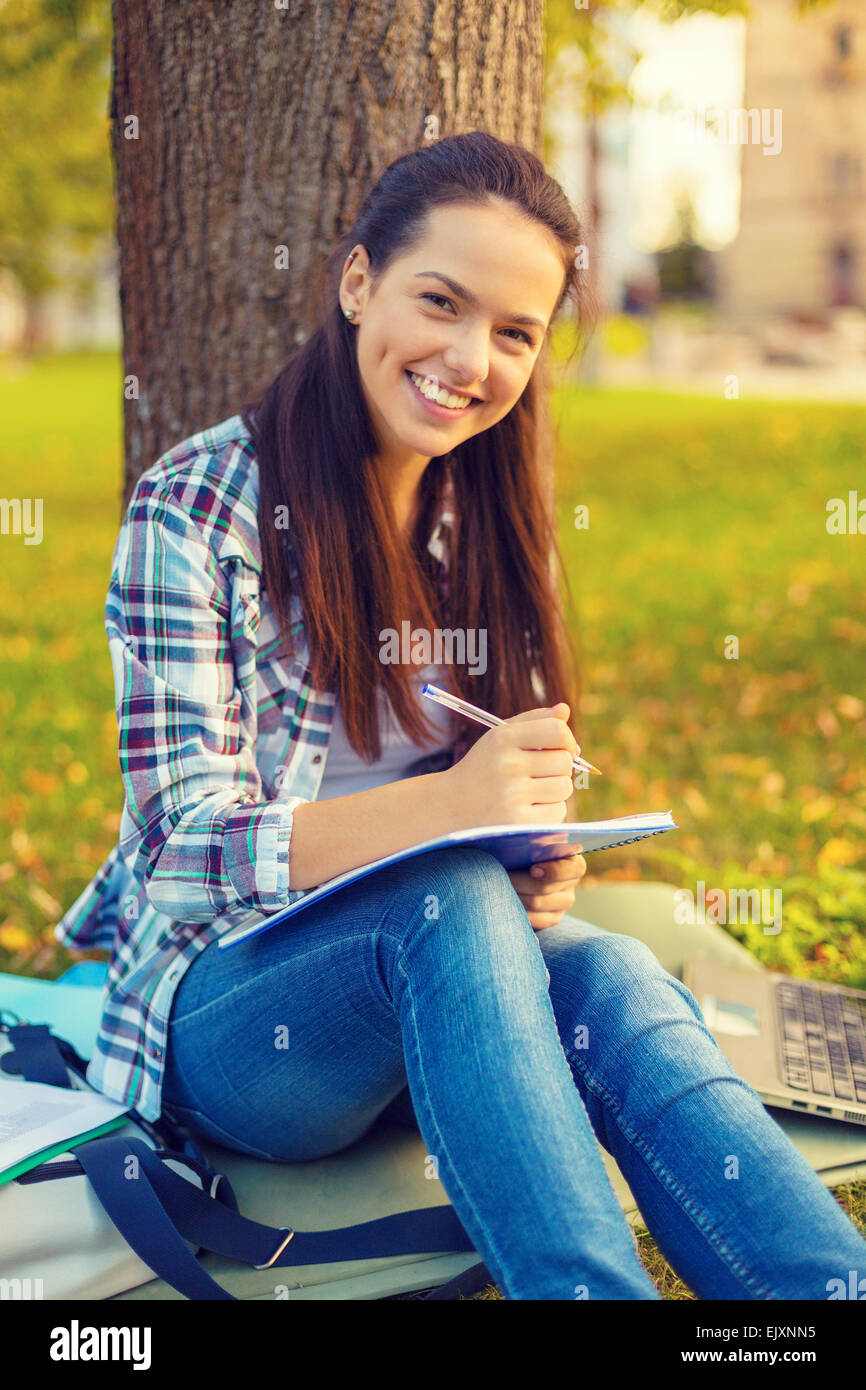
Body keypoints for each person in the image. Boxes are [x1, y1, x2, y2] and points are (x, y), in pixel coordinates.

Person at [56, 130, 866, 1301]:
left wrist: (524, 848)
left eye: (514, 333)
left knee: (613, 972)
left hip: (444, 984)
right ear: (357, 282)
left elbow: (475, 819)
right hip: (230, 1027)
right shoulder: (196, 509)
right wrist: (452, 817)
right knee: (444, 893)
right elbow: (180, 854)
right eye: (439, 301)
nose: (468, 359)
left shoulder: (481, 514)